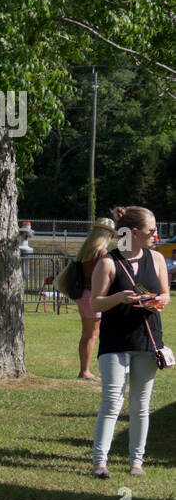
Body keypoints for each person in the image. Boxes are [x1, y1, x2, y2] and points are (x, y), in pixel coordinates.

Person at [88, 205, 169, 478]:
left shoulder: (156, 259)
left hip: (148, 339)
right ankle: (100, 462)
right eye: (151, 230)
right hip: (115, 342)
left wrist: (157, 301)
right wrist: (119, 298)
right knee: (112, 402)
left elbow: (166, 295)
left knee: (140, 405)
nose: (155, 235)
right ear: (134, 232)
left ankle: (137, 462)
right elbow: (96, 302)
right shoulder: (108, 262)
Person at [73, 218, 115, 380]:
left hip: (83, 295)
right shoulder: (101, 253)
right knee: (92, 335)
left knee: (87, 334)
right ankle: (85, 371)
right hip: (93, 295)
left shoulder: (85, 250)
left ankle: (84, 369)